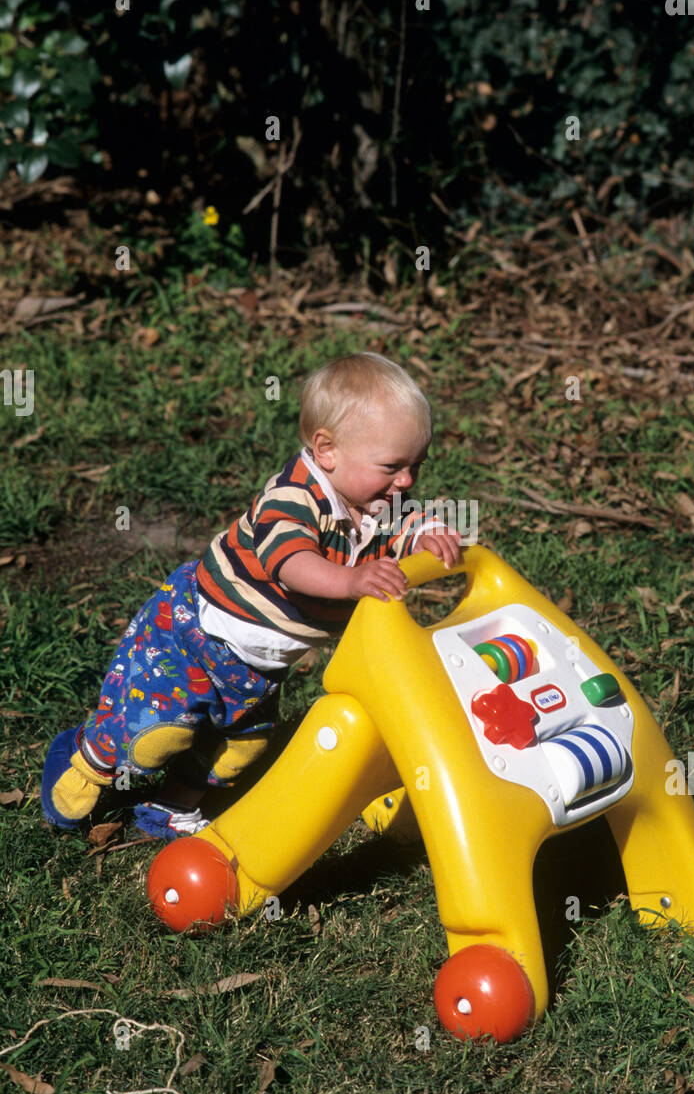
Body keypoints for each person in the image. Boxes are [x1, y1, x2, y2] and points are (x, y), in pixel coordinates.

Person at [41, 352, 462, 841]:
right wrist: (350, 581)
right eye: (393, 466)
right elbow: (292, 563)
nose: (407, 481)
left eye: (417, 466)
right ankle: (83, 759)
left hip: (258, 665)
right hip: (195, 633)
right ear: (326, 450)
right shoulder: (294, 497)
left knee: (242, 747)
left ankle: (167, 806)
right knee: (155, 734)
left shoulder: (376, 497)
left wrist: (428, 534)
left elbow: (406, 520)